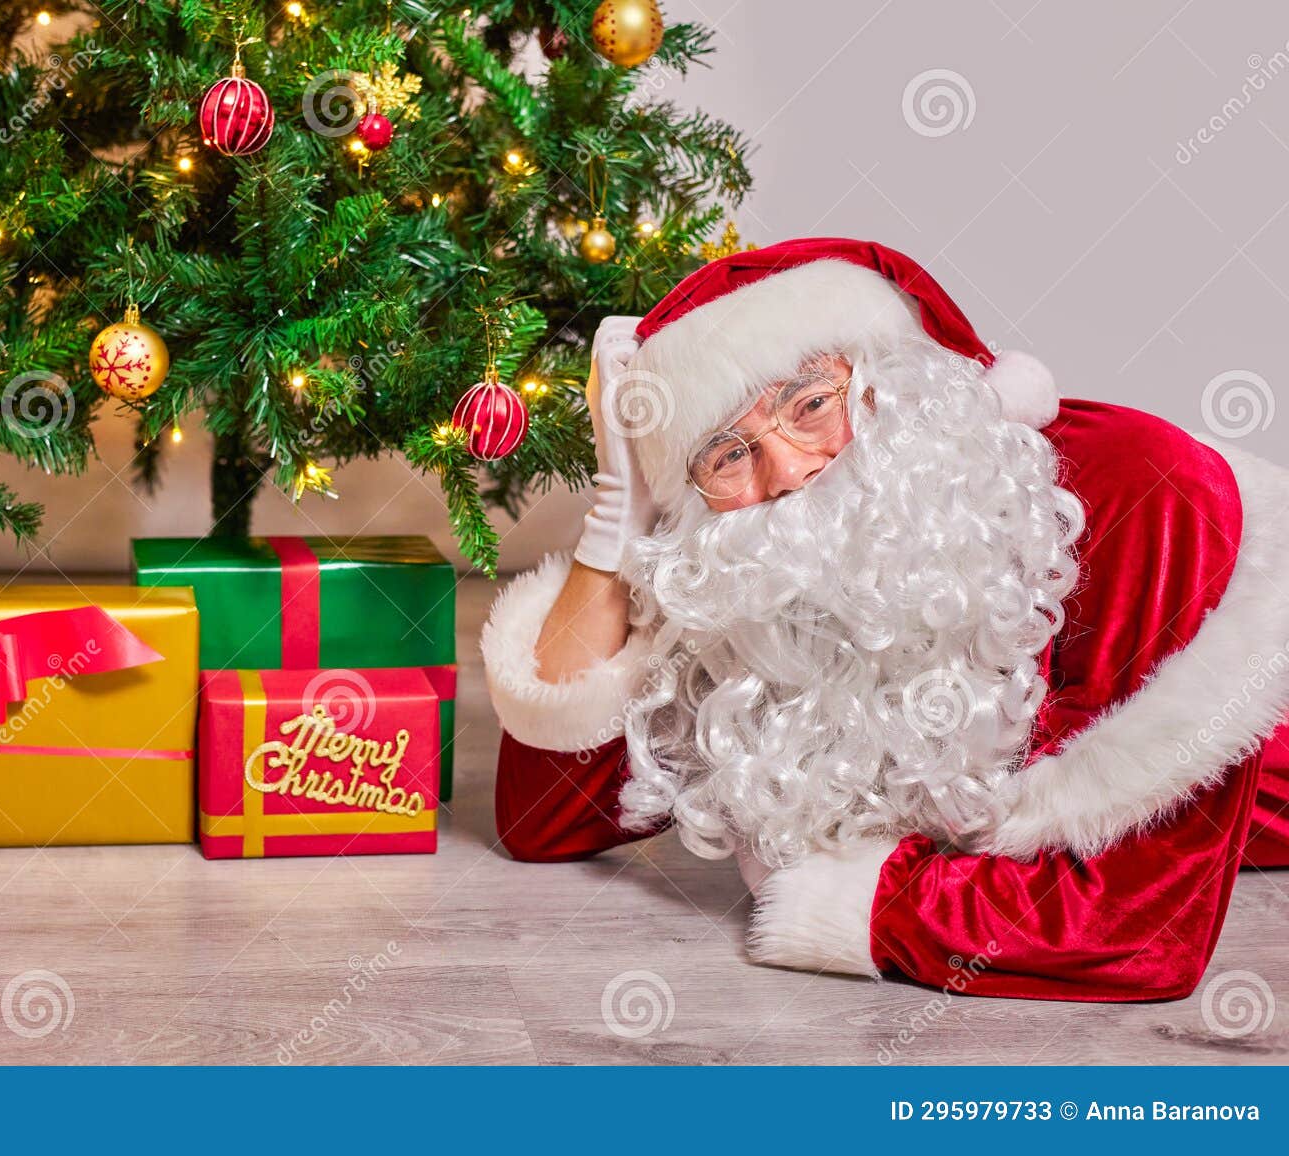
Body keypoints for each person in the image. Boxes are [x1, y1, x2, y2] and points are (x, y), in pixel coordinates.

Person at [482, 237, 1289, 1001]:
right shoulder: (739, 555)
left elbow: (1131, 925)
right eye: (727, 453)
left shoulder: (1146, 488)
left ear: (895, 386)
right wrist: (620, 516)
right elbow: (543, 816)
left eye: (810, 405)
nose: (791, 473)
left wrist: (840, 904)